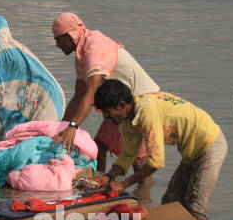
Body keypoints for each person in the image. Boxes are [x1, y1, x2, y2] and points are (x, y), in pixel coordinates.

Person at [93, 80, 226, 220]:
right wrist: (108, 176)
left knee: (196, 209)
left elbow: (156, 161)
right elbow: (128, 155)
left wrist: (124, 184)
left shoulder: (146, 112)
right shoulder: (128, 120)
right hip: (191, 152)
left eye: (108, 112)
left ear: (121, 104)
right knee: (170, 202)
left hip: (210, 144)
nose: (107, 118)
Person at [51, 11, 160, 168]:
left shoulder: (94, 47)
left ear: (71, 34)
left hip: (141, 103)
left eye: (59, 39)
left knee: (138, 159)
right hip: (120, 106)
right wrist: (62, 127)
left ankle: (142, 192)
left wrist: (73, 126)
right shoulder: (81, 53)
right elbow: (79, 95)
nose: (57, 45)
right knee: (100, 146)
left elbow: (91, 92)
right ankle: (101, 183)